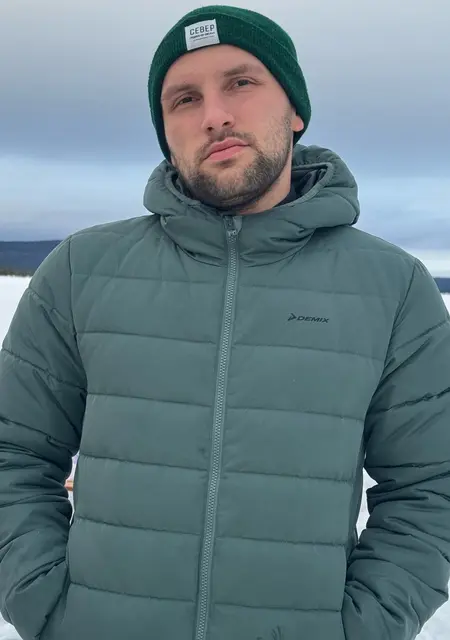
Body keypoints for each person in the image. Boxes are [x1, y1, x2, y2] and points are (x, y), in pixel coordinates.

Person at [1, 5, 450, 640]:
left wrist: (362, 628)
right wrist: (47, 607)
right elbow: (13, 453)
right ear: (166, 130)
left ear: (295, 109)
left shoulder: (393, 287)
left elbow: (431, 487)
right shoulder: (81, 271)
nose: (214, 115)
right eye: (184, 99)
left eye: (240, 82)